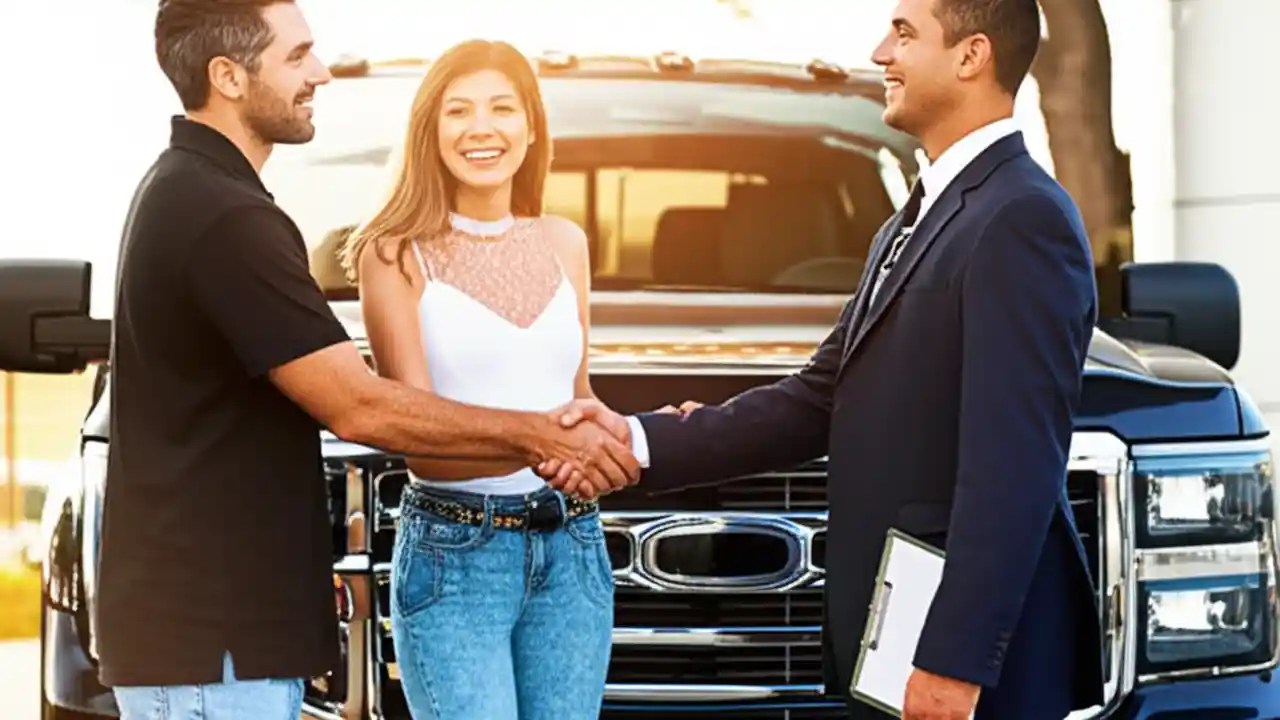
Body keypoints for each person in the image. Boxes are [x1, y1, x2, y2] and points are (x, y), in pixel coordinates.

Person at [545, 0, 1102, 718]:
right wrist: (638, 439)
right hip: (888, 641)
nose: (880, 52)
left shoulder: (1021, 218)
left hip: (964, 674)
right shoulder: (918, 221)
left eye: (904, 33)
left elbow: (1015, 470)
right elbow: (818, 398)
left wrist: (952, 664)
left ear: (972, 56)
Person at [98, 3, 636, 719]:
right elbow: (360, 404)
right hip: (210, 640)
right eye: (297, 57)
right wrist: (543, 436)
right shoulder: (223, 216)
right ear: (227, 76)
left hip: (229, 628)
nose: (319, 72)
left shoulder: (204, 197)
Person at [338, 38, 630, 720]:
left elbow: (576, 396)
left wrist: (624, 436)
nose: (482, 128)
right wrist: (551, 447)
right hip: (455, 552)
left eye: (502, 108)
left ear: (530, 127)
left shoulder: (565, 241)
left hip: (573, 549)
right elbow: (419, 437)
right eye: (458, 111)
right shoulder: (392, 254)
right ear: (430, 132)